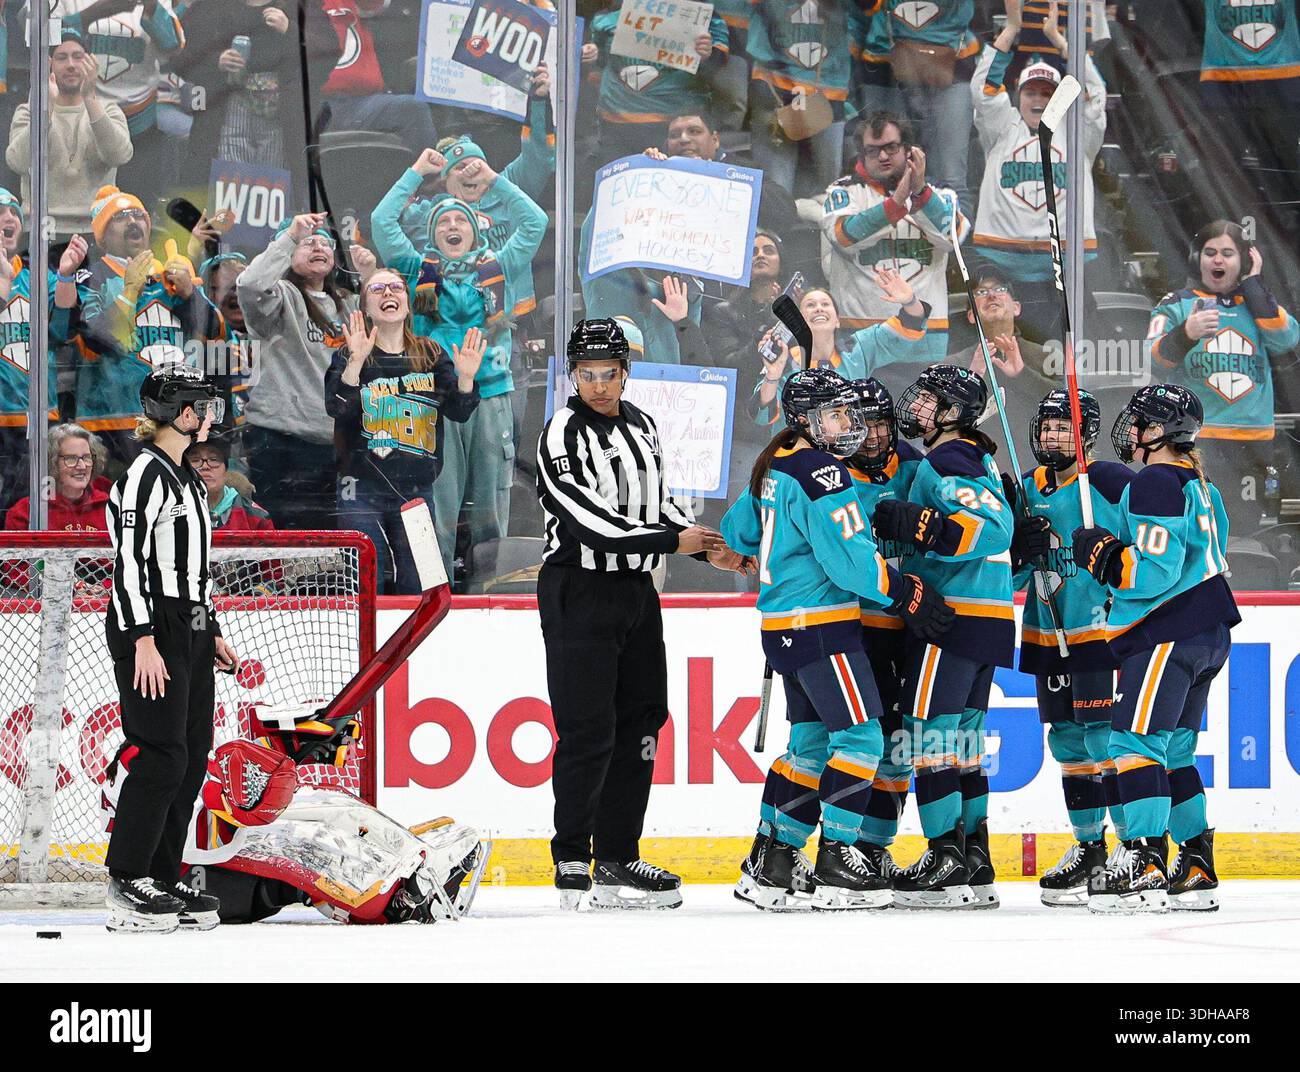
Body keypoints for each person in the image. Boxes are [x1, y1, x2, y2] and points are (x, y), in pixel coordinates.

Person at [724, 368, 953, 911]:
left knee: (809, 748)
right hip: (824, 627)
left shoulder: (775, 463)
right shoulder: (823, 472)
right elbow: (851, 564)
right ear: (806, 419)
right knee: (864, 742)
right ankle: (837, 857)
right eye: (835, 414)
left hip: (782, 629)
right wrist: (903, 591)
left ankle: (773, 857)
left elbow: (738, 534)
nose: (848, 425)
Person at [535, 318, 737, 910]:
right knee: (588, 726)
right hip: (580, 589)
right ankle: (572, 852)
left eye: (610, 374)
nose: (599, 385)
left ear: (627, 373)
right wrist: (672, 542)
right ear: (573, 375)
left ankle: (619, 855)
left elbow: (657, 501)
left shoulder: (642, 424)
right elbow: (587, 519)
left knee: (644, 721)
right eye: (588, 374)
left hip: (636, 591)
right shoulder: (561, 432)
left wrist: (703, 540)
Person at [1072, 383, 1240, 914]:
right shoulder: (1201, 484)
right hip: (1209, 632)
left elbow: (1153, 572)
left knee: (1135, 743)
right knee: (1175, 752)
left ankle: (1143, 859)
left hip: (1168, 633)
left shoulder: (1156, 482)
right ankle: (1195, 864)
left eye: (1140, 422)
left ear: (1160, 431)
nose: (1131, 431)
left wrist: (1103, 554)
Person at [103, 705, 490, 924]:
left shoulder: (166, 750)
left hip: (207, 870)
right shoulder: (147, 759)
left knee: (325, 809)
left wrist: (294, 746)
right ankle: (401, 897)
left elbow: (225, 787)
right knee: (302, 841)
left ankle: (406, 871)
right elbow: (220, 806)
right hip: (198, 875)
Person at [102, 364, 240, 933]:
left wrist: (211, 629)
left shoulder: (184, 474)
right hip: (151, 623)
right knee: (160, 752)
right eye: (204, 406)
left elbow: (193, 569)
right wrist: (142, 639)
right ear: (183, 413)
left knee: (191, 749)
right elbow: (129, 563)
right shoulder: (144, 475)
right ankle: (127, 877)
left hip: (188, 624)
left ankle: (160, 873)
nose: (210, 416)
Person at [873, 364, 1015, 909]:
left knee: (928, 737)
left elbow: (991, 529)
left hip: (950, 617)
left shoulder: (948, 458)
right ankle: (974, 857)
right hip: (986, 620)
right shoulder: (975, 457)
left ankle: (944, 857)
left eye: (930, 400)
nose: (919, 406)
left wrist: (922, 526)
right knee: (964, 745)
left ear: (953, 412)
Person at [372, 155, 546, 572]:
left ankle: (490, 593)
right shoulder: (415, 270)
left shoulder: (500, 266)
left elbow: (535, 222)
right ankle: (437, 594)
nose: (453, 228)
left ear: (476, 229)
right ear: (432, 234)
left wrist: (492, 179)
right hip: (434, 401)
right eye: (444, 223)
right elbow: (382, 221)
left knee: (491, 505)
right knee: (438, 506)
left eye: (462, 221)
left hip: (489, 396)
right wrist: (415, 171)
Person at [1009, 390, 1134, 906]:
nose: (1053, 437)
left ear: (1086, 435)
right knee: (1068, 743)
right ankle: (1090, 849)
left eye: (1065, 428)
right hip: (1046, 633)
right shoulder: (1026, 487)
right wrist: (1020, 547)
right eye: (1047, 427)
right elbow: (1009, 571)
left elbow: (1140, 556)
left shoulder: (1108, 482)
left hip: (1099, 635)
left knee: (1106, 744)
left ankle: (1133, 851)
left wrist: (1107, 548)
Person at [325, 269, 483, 594]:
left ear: (407, 304)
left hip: (416, 488)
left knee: (417, 584)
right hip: (360, 489)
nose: (388, 294)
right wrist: (355, 363)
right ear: (365, 307)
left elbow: (459, 411)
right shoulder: (348, 354)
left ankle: (414, 646)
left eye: (395, 287)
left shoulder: (430, 354)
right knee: (367, 584)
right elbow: (336, 407)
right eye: (377, 289)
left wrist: (466, 379)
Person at [1145, 220, 1299, 533]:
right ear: (1196, 258)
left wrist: (1254, 285)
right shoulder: (1176, 305)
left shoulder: (1258, 308)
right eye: (1210, 252)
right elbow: (1152, 359)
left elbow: (1287, 339)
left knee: (1245, 532)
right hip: (1199, 442)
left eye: (1228, 253)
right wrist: (1186, 333)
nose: (1218, 260)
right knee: (1197, 531)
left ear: (1243, 261)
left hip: (1252, 445)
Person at [971, 7, 1107, 341]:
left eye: (1048, 94)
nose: (1039, 100)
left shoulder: (1076, 133)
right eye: (1031, 92)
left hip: (1064, 266)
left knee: (1068, 358)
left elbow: (1095, 96)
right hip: (1001, 261)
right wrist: (1012, 29)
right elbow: (984, 88)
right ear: (1019, 96)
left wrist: (1059, 40)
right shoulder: (1002, 126)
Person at [77, 188, 227, 467]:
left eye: (138, 215)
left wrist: (188, 294)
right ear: (103, 236)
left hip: (178, 419)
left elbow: (217, 334)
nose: (133, 221)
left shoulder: (173, 270)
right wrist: (128, 294)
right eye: (120, 217)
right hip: (116, 419)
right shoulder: (95, 275)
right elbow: (91, 341)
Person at [811, 111, 967, 361]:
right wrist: (895, 203)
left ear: (909, 149)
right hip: (861, 337)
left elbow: (954, 237)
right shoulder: (842, 192)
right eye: (872, 150)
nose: (882, 156)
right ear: (861, 154)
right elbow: (843, 236)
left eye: (890, 147)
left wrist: (919, 194)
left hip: (927, 338)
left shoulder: (941, 193)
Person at [236, 212, 358, 531]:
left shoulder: (347, 304)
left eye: (324, 242)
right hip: (280, 440)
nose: (317, 246)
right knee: (283, 541)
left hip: (333, 442)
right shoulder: (279, 298)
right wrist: (290, 235)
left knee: (325, 544)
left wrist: (370, 271)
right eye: (306, 243)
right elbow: (249, 285)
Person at [751, 274, 930, 427]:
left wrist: (910, 301)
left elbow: (908, 327)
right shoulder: (783, 361)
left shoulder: (858, 347)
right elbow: (761, 416)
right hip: (799, 459)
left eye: (825, 304)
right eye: (810, 305)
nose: (819, 308)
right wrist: (773, 375)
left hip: (849, 455)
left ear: (837, 320)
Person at [0, 201, 86, 517]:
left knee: (25, 505)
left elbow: (62, 331)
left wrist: (65, 277)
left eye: (14, 214)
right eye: (0, 212)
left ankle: (20, 568)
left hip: (33, 415)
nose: (8, 219)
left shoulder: (38, 277)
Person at [5, 28, 132, 239]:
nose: (71, 65)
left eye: (78, 57)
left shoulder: (108, 109)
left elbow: (120, 156)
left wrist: (90, 98)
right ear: (49, 65)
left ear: (90, 63)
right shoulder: (28, 111)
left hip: (97, 230)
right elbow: (18, 162)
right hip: (40, 232)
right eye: (62, 58)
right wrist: (45, 108)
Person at [4, 423, 111, 531]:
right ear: (52, 463)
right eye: (71, 459)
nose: (82, 466)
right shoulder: (26, 513)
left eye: (87, 458)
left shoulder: (111, 508)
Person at [184, 433, 273, 532]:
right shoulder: (168, 510)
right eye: (195, 460)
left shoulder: (256, 518)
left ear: (226, 470)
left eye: (213, 459)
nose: (205, 467)